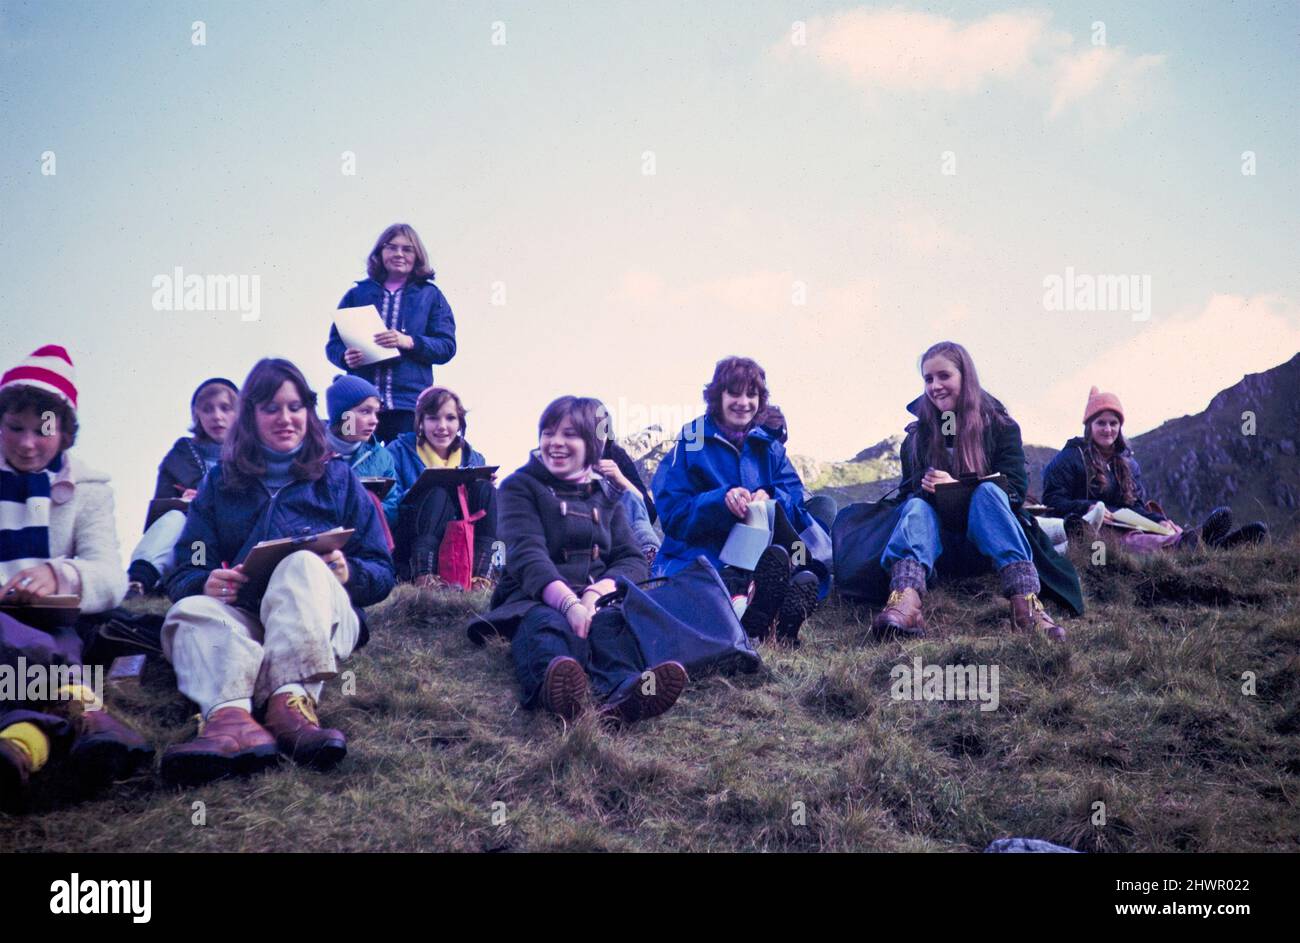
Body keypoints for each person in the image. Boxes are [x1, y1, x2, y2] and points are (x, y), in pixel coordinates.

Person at [159, 358, 395, 786]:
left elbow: (381, 570)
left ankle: (290, 703)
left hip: (321, 618)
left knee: (302, 563)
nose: (285, 419)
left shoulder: (338, 480)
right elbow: (191, 557)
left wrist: (348, 573)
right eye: (271, 408)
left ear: (309, 411)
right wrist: (204, 579)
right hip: (248, 619)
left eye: (295, 407)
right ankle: (231, 719)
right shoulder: (219, 483)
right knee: (189, 610)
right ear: (250, 416)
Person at [467, 396, 686, 724]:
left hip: (596, 600)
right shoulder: (520, 487)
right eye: (548, 432)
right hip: (534, 598)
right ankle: (554, 691)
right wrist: (569, 604)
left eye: (569, 434)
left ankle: (625, 694)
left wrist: (594, 596)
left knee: (612, 628)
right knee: (546, 629)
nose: (555, 442)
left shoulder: (605, 493)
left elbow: (632, 557)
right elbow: (528, 555)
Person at [0, 346, 152, 812]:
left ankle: (20, 746)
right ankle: (74, 703)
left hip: (53, 621)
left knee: (56, 636)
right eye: (15, 428)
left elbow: (109, 574)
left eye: (44, 430)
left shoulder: (89, 489)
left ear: (65, 433)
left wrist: (60, 572)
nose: (28, 443)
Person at [867, 342, 1082, 641]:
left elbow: (1017, 489)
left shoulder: (1001, 426)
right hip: (937, 550)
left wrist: (960, 487)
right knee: (916, 507)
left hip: (989, 545)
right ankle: (906, 601)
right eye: (928, 379)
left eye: (944, 376)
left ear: (965, 376)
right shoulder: (916, 438)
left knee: (989, 494)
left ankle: (1026, 605)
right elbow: (908, 497)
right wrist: (930, 490)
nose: (935, 386)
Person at [652, 356, 831, 645]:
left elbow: (797, 502)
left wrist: (771, 496)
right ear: (717, 396)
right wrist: (720, 502)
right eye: (734, 393)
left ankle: (761, 608)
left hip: (766, 548)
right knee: (713, 584)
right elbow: (672, 513)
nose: (743, 402)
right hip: (704, 550)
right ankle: (760, 609)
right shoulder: (692, 440)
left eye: (752, 394)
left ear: (761, 400)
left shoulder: (769, 446)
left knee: (773, 529)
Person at [1042, 387, 1268, 552]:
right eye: (1101, 423)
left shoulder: (1128, 464)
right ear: (1089, 427)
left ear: (1120, 427)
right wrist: (1090, 506)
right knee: (1134, 541)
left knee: (1163, 528)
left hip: (1127, 521)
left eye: (1114, 423)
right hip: (1095, 527)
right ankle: (1197, 544)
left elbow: (1135, 506)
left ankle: (1211, 545)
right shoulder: (1070, 457)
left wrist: (1157, 520)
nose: (1108, 429)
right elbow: (1052, 502)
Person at [326, 223, 457, 444]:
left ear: (417, 256)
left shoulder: (431, 296)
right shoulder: (356, 294)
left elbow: (447, 346)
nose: (399, 254)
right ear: (380, 252)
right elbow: (333, 345)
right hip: (357, 407)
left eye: (407, 249)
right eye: (391, 247)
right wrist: (344, 357)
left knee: (402, 467)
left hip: (409, 405)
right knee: (352, 462)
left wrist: (409, 342)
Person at [126, 377, 238, 596]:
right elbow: (159, 513)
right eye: (207, 409)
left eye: (225, 408)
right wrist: (183, 502)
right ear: (197, 415)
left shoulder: (254, 454)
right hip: (195, 543)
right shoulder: (182, 455)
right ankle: (138, 580)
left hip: (235, 539)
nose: (217, 416)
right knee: (176, 518)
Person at [386, 386, 497, 588]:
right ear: (420, 421)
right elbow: (390, 506)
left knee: (486, 490)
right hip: (413, 537)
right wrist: (418, 491)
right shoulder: (397, 451)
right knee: (436, 493)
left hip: (459, 535)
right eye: (433, 418)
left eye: (450, 418)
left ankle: (482, 576)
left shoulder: (474, 457)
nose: (442, 426)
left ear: (460, 422)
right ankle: (423, 576)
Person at [324, 374, 403, 531]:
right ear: (343, 415)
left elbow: (392, 510)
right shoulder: (309, 450)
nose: (375, 420)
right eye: (365, 411)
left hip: (363, 540)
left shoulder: (382, 457)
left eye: (376, 412)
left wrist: (362, 508)